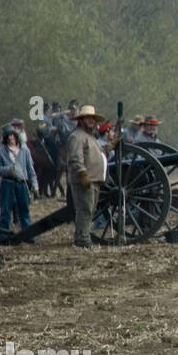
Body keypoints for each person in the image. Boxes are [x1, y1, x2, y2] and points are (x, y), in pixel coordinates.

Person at [66, 104, 106, 248]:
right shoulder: (76, 137)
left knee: (89, 210)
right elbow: (75, 159)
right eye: (88, 118)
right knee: (85, 209)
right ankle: (82, 240)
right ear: (81, 120)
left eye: (92, 118)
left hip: (94, 180)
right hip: (83, 180)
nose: (91, 120)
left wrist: (111, 146)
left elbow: (98, 153)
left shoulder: (90, 137)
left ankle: (82, 236)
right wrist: (83, 174)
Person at [0, 127, 39, 243]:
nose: (10, 138)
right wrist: (8, 170)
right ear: (5, 138)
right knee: (5, 210)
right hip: (7, 184)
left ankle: (28, 234)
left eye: (12, 135)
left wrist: (35, 185)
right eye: (8, 136)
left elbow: (31, 170)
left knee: (24, 210)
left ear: (16, 136)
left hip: (21, 184)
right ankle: (3, 235)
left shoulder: (25, 150)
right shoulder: (0, 152)